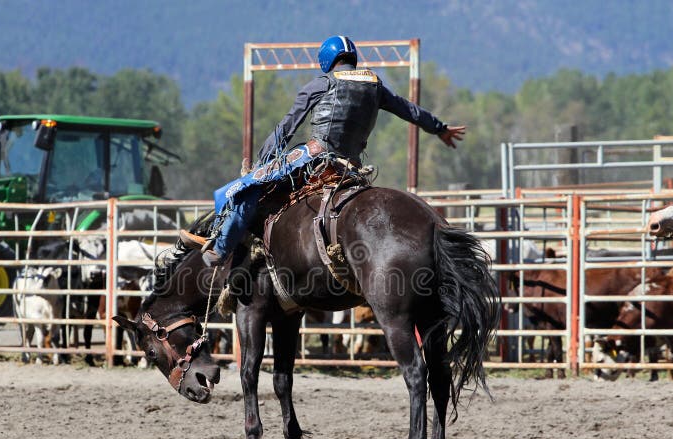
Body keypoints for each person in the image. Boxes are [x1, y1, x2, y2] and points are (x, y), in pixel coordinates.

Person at [181, 35, 465, 266]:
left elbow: (287, 126)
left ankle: (220, 247)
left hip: (316, 156)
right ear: (353, 59)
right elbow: (410, 110)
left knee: (242, 189)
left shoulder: (323, 83)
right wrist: (440, 128)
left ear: (327, 60)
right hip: (351, 166)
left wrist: (261, 163)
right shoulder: (375, 85)